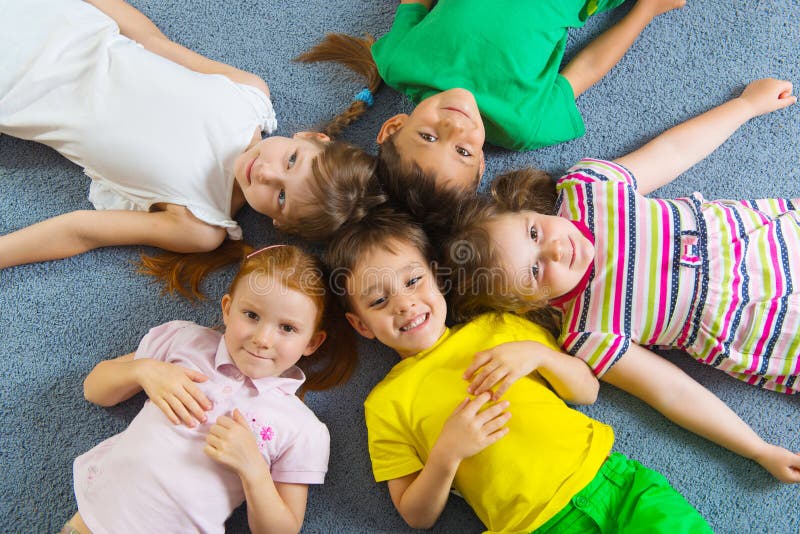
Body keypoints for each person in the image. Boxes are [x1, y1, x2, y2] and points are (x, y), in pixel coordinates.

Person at [441, 78, 800, 482]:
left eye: (534, 233)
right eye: (536, 270)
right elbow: (673, 392)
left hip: (775, 240)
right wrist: (757, 449)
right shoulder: (589, 334)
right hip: (770, 325)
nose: (557, 250)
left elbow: (672, 152)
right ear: (530, 304)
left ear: (523, 209)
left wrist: (745, 106)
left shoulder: (589, 189)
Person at [324, 207, 712, 533]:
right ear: (361, 325)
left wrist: (538, 355)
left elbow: (587, 391)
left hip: (616, 483)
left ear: (438, 279)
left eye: (412, 281)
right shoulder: (384, 404)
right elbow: (415, 515)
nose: (405, 304)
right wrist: (446, 455)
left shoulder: (499, 326)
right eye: (378, 300)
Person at [0, 0, 382, 274]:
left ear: (279, 224)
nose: (265, 173)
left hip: (17, 90)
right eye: (292, 160)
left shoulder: (200, 225)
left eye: (280, 196)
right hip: (63, 20)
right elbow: (152, 42)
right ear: (312, 136)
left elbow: (81, 231)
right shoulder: (249, 95)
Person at [60, 244, 357, 533]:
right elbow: (93, 389)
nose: (263, 339)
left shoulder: (303, 429)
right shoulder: (185, 340)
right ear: (227, 309)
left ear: (311, 343)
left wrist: (253, 470)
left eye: (287, 328)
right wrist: (144, 370)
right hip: (98, 513)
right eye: (251, 315)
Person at [297, 0, 685, 194]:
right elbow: (588, 67)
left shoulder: (399, 64)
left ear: (394, 125)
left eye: (429, 137)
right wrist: (647, 9)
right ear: (482, 164)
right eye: (463, 152)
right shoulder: (522, 124)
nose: (454, 127)